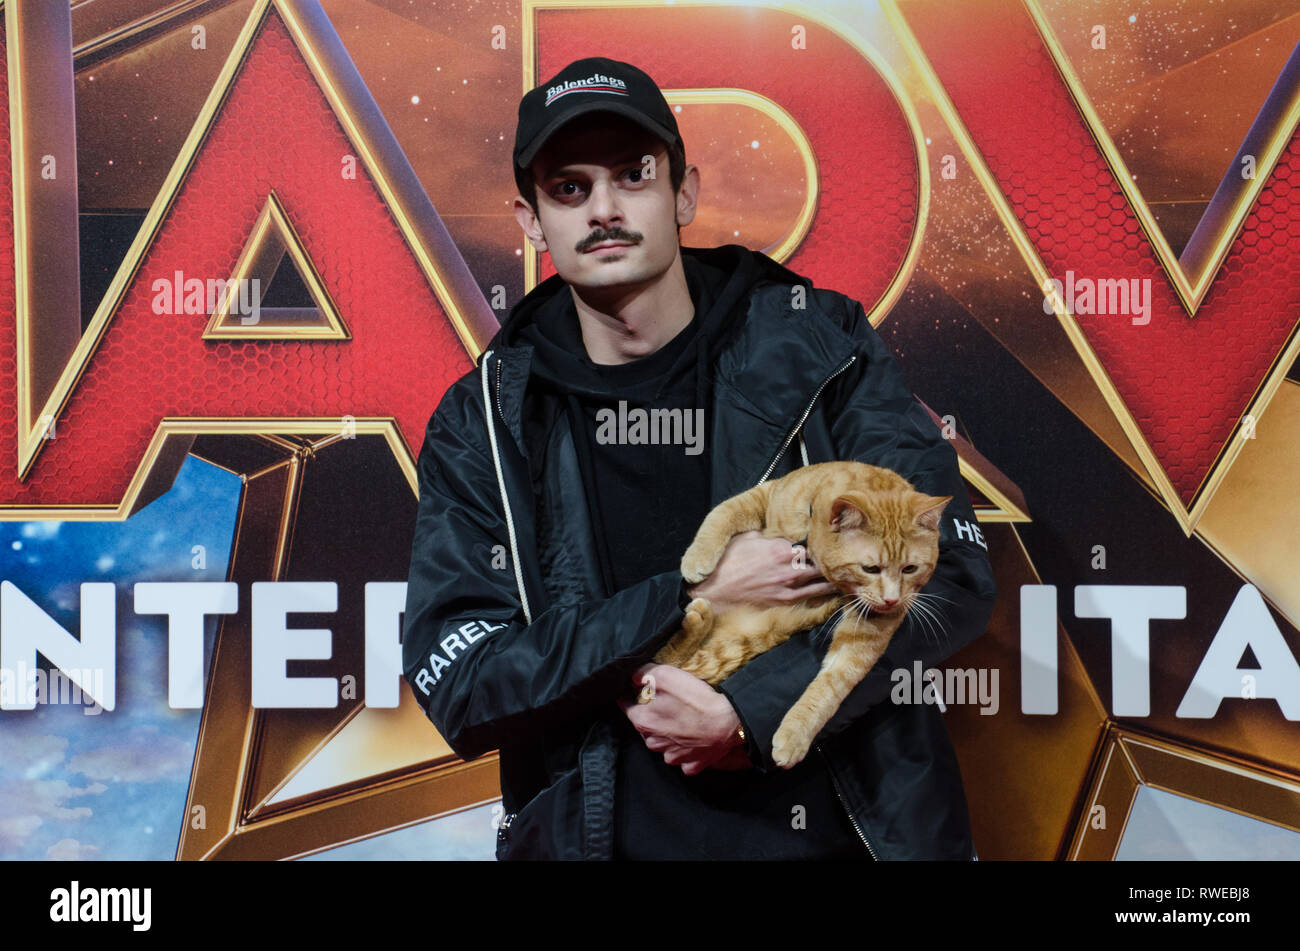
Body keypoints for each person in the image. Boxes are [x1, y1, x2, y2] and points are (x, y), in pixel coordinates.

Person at [401, 56, 997, 860]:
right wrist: (687, 596)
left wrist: (750, 712)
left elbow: (952, 565)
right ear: (532, 220)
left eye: (632, 175)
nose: (604, 209)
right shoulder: (485, 421)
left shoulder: (816, 344)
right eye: (569, 188)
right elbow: (464, 682)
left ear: (684, 191)